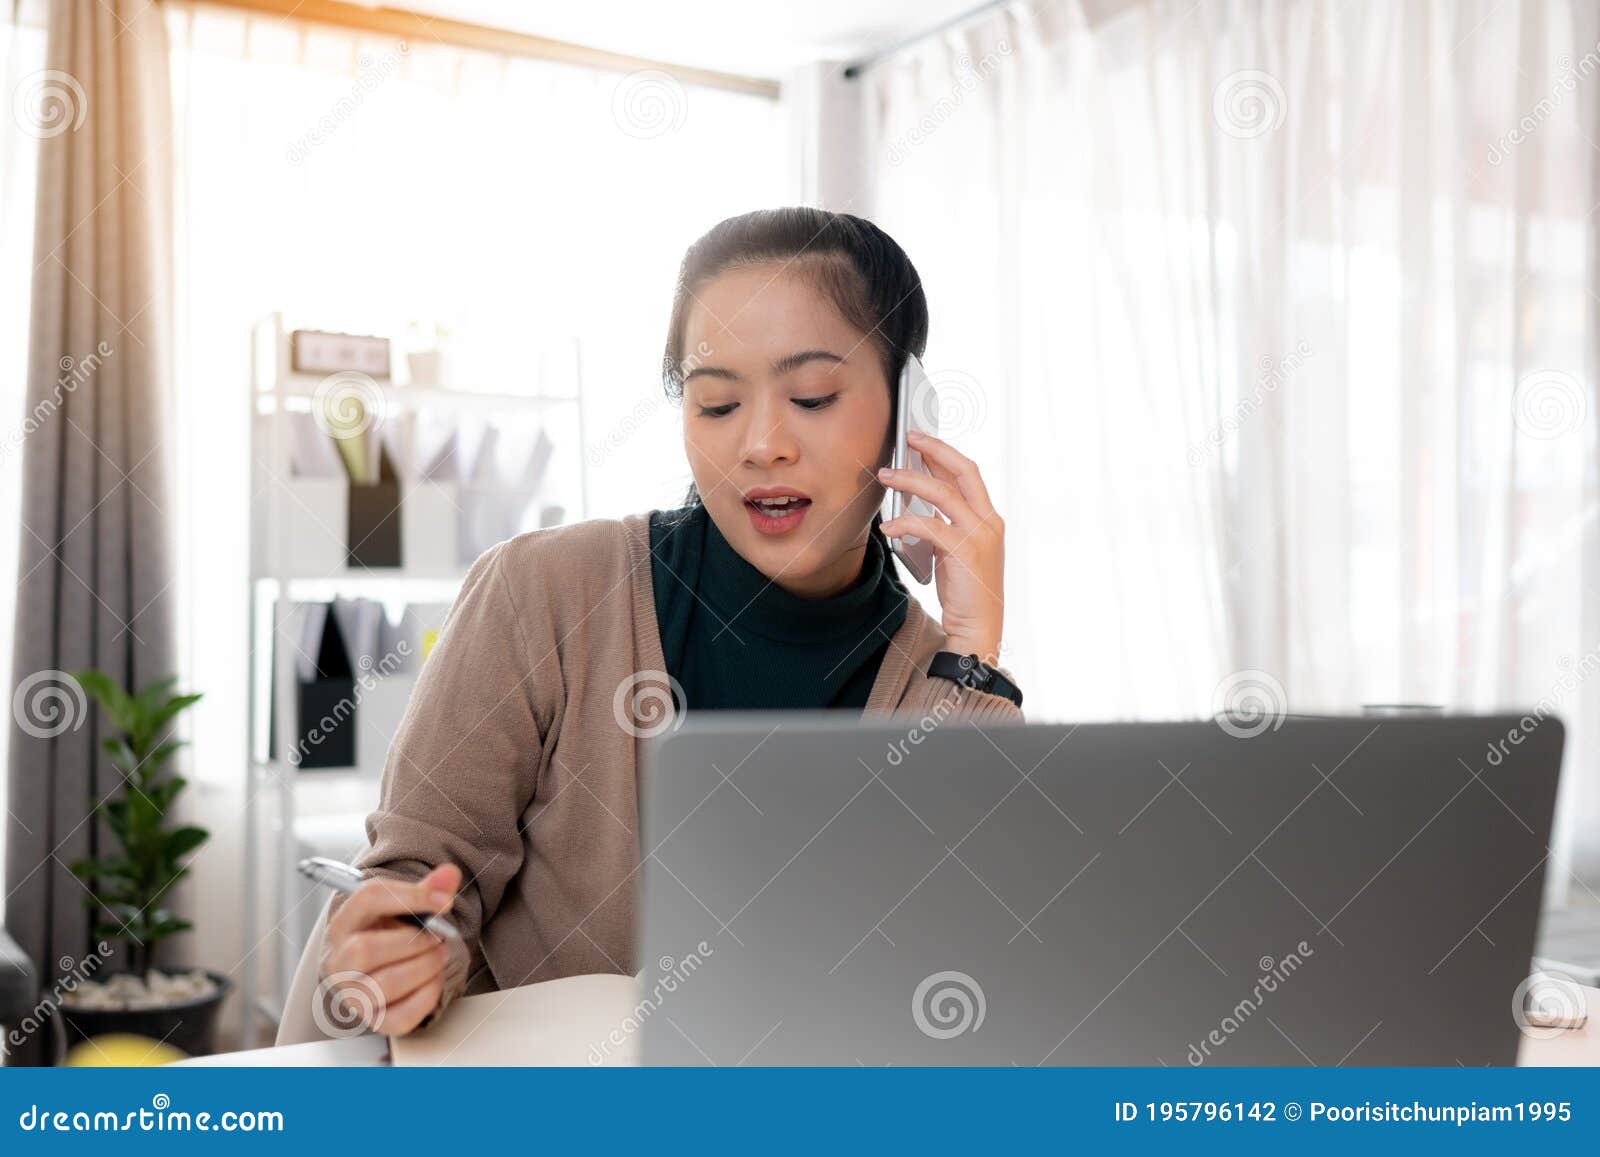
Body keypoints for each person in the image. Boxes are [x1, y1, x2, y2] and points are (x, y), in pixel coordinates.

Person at [316, 208, 1022, 1035]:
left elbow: (947, 978)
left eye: (811, 395)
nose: (761, 444)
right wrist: (406, 951)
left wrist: (975, 650)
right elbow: (414, 881)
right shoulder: (545, 592)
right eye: (716, 403)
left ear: (911, 412)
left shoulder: (941, 678)